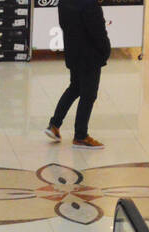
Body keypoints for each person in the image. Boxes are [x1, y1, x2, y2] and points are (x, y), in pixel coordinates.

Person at [45, 0, 111, 149]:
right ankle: (81, 136)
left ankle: (54, 125)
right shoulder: (90, 4)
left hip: (73, 51)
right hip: (90, 56)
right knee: (89, 95)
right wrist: (105, 50)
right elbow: (98, 32)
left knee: (75, 87)